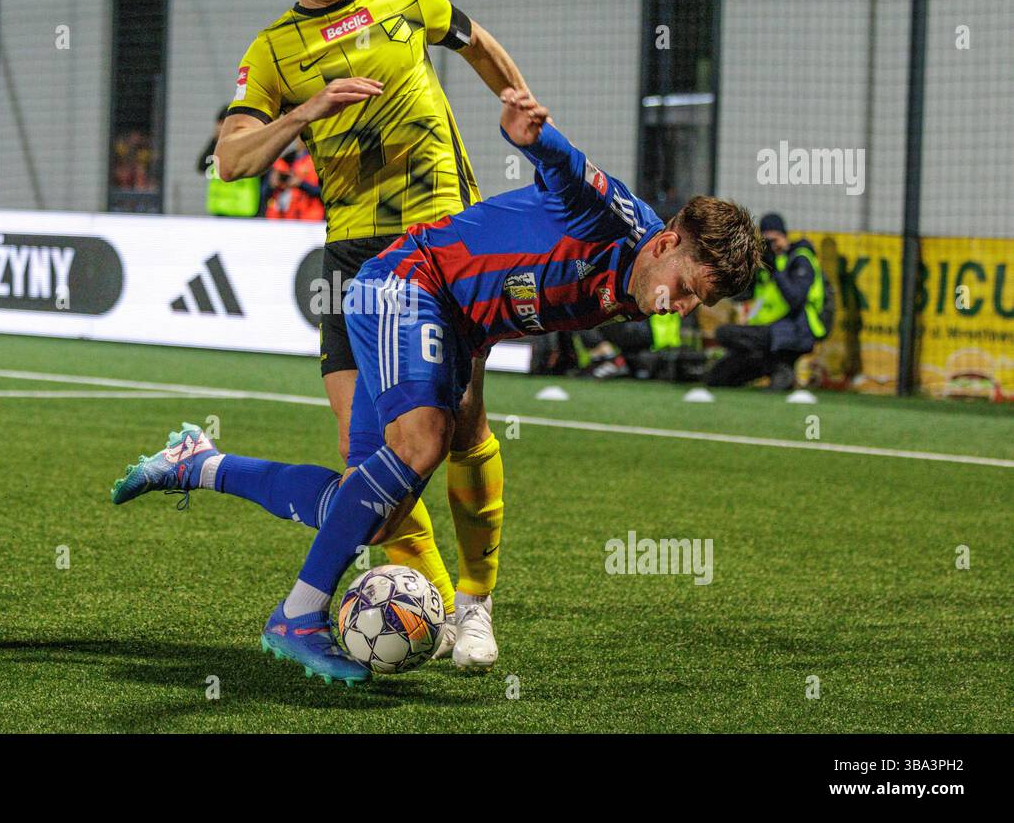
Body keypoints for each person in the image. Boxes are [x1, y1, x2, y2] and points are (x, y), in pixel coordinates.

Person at [108, 90, 762, 684]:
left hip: (455, 327)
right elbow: (570, 171)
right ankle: (298, 617)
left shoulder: (639, 289)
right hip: (410, 282)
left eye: (695, 303)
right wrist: (532, 140)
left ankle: (200, 465)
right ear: (667, 242)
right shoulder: (615, 221)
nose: (678, 306)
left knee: (366, 511)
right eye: (684, 288)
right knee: (427, 440)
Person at [211, 0, 532, 667]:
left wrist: (519, 104)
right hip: (354, 260)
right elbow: (231, 158)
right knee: (374, 471)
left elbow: (478, 40)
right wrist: (301, 113)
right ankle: (433, 609)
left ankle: (476, 603)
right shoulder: (274, 53)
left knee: (459, 426)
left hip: (441, 243)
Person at [705, 212, 831, 390]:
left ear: (784, 236)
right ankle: (776, 369)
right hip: (766, 332)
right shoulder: (766, 264)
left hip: (796, 329)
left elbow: (795, 298)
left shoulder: (799, 258)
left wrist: (776, 272)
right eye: (767, 243)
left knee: (725, 333)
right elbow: (744, 295)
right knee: (717, 377)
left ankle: (777, 367)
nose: (772, 247)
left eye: (774, 241)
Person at [263, 145, 325, 220]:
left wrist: (301, 184)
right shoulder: (283, 161)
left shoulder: (317, 160)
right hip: (284, 216)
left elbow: (324, 192)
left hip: (311, 217)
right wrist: (272, 184)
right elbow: (264, 193)